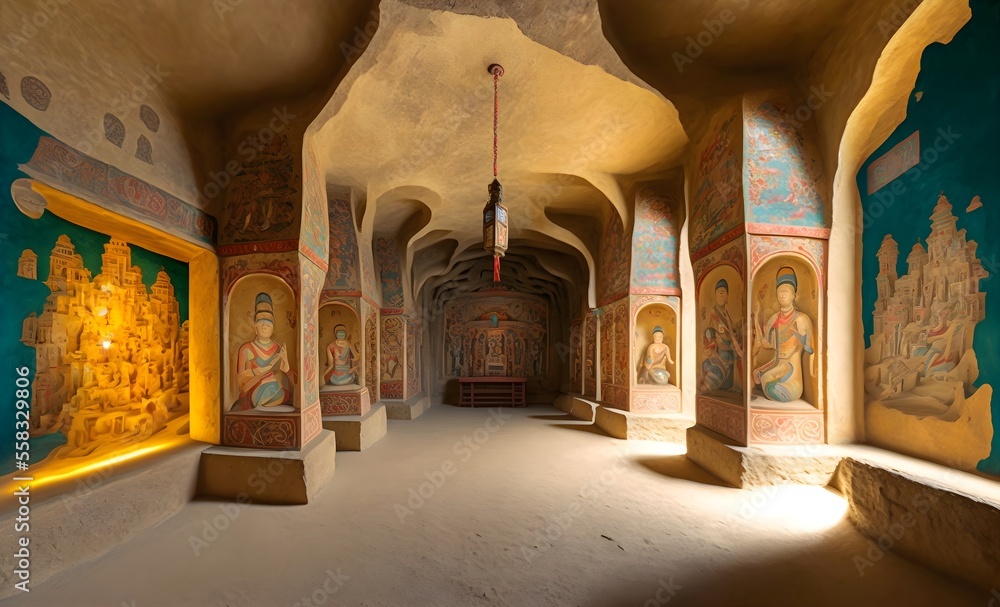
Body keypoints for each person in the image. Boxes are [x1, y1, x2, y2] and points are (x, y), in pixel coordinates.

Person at [752, 267, 815, 402]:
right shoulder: (774, 319)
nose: (782, 294)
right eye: (780, 291)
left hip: (791, 372)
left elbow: (810, 350)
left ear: (794, 295)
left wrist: (813, 373)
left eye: (786, 290)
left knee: (768, 383)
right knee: (759, 376)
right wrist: (756, 318)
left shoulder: (802, 320)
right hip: (776, 365)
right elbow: (765, 343)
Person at [231, 292, 293, 411]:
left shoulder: (277, 348)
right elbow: (240, 382)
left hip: (278, 391)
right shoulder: (247, 349)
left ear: (273, 327)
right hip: (253, 392)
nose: (265, 326)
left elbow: (286, 378)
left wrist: (286, 365)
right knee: (271, 383)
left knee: (279, 380)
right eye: (261, 321)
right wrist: (263, 371)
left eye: (269, 322)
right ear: (255, 327)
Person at [700, 279, 743, 393]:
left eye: (723, 292)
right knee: (716, 376)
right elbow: (710, 335)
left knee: (728, 384)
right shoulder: (713, 315)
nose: (721, 294)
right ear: (715, 296)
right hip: (719, 356)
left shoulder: (727, 316)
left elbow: (731, 332)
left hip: (729, 355)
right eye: (719, 292)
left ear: (727, 297)